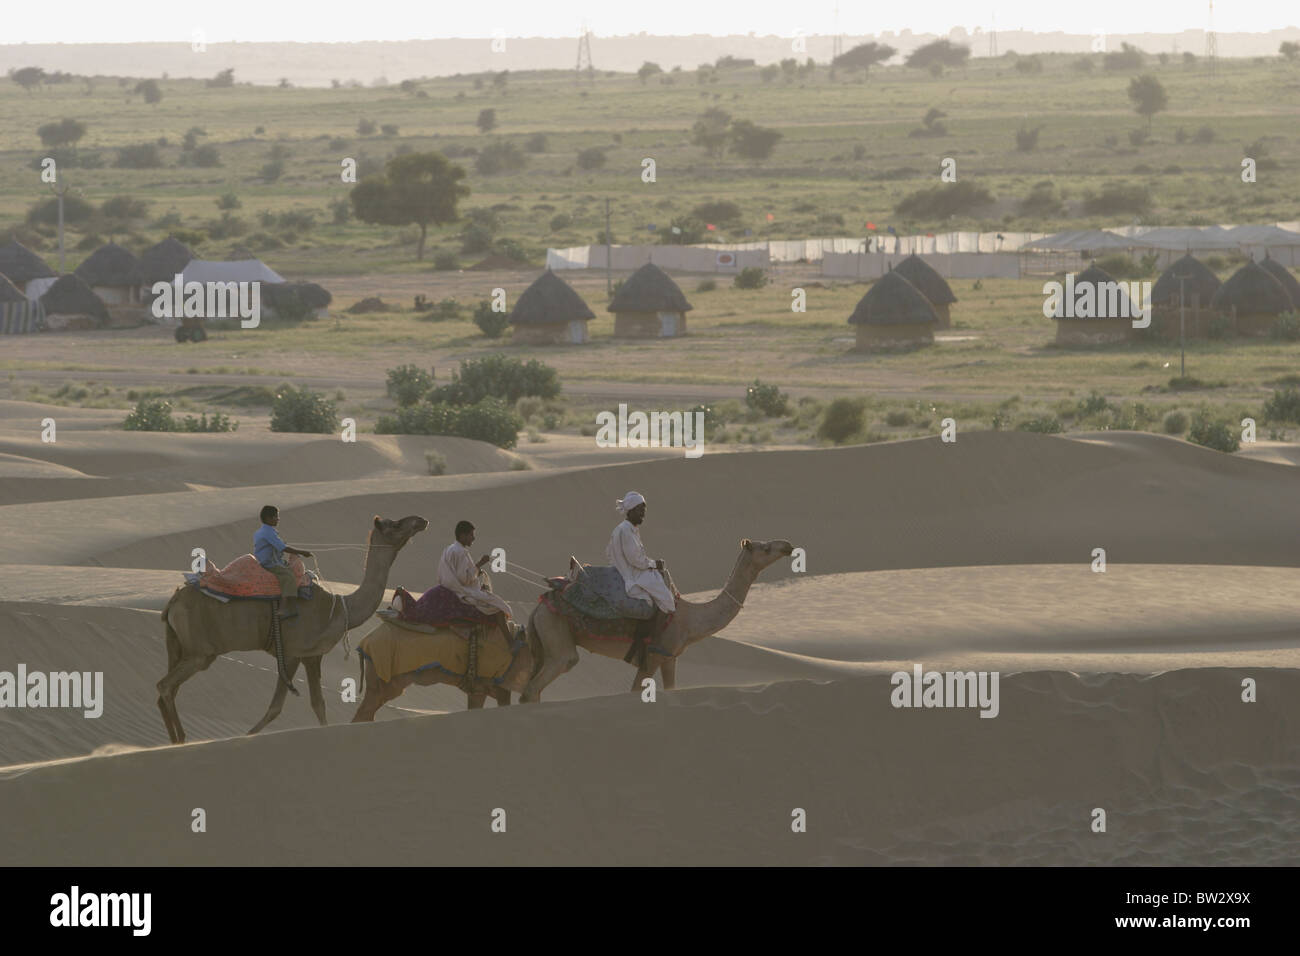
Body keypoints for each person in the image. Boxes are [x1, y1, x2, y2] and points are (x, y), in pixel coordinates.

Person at [436, 520, 516, 643]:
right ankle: (510, 643)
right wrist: (480, 564)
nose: (473, 538)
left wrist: (477, 572)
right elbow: (464, 579)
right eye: (471, 535)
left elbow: (460, 575)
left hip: (453, 589)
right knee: (499, 608)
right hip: (461, 592)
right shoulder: (460, 552)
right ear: (463, 535)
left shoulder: (449, 549)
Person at [607, 492, 675, 614]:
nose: (643, 513)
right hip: (632, 575)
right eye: (640, 509)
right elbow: (636, 560)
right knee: (667, 599)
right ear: (631, 510)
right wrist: (654, 564)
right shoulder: (626, 531)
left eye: (644, 509)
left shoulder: (629, 529)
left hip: (634, 570)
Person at [253, 505, 312, 618]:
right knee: (288, 576)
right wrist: (302, 552)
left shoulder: (263, 531)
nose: (278, 519)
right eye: (276, 516)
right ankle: (286, 608)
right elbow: (283, 548)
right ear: (268, 518)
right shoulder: (268, 532)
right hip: (269, 563)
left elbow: (280, 545)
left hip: (271, 561)